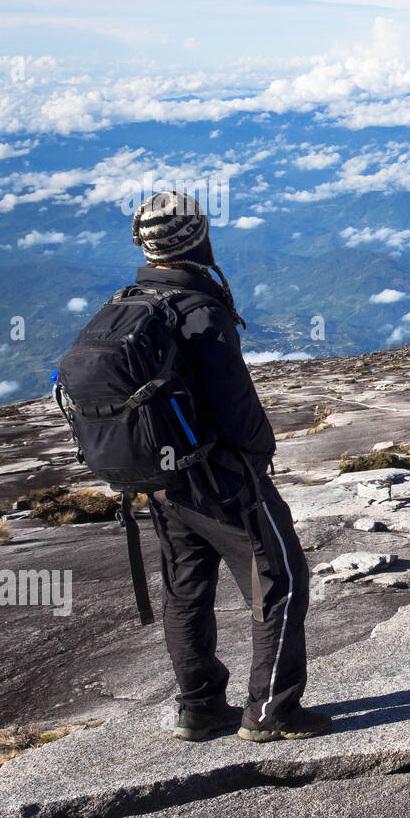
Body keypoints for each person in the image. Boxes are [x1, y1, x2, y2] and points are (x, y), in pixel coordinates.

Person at [129, 191, 330, 743]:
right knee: (282, 581)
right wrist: (258, 457)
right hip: (223, 481)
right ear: (199, 239)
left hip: (164, 484)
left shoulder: (132, 306)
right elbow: (236, 408)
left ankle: (198, 709)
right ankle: (272, 712)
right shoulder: (198, 312)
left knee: (185, 590)